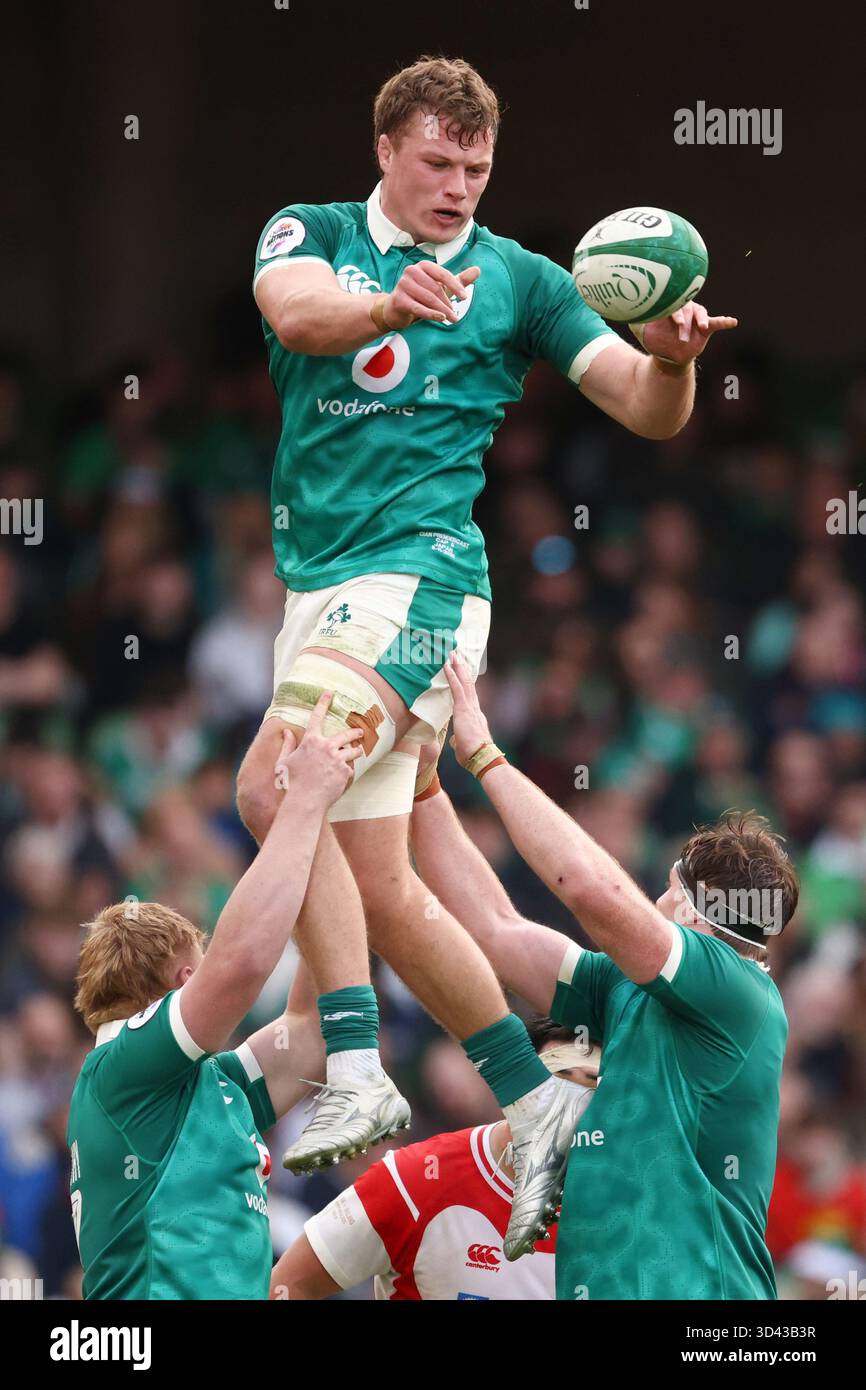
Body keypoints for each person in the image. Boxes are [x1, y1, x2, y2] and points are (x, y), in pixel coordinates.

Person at [236, 52, 737, 1248]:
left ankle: (352, 1062)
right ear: (385, 151)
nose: (458, 186)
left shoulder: (519, 278)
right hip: (319, 593)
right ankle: (532, 1103)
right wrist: (386, 305)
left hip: (420, 583)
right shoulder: (308, 231)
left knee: (270, 784)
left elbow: (636, 399)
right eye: (437, 162)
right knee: (387, 878)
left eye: (476, 167)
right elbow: (294, 312)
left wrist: (673, 356)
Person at [407, 651, 796, 1297]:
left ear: (696, 912)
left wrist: (483, 754)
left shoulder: (738, 990)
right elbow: (494, 929)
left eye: (668, 888)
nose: (653, 897)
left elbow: (590, 889)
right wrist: (426, 789)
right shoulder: (628, 988)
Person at [67, 697, 372, 1300]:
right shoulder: (122, 1068)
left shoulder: (208, 1086)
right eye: (200, 974)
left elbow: (312, 1028)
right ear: (182, 982)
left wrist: (328, 836)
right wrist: (301, 804)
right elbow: (243, 966)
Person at [270, 1021, 600, 1301]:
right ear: (517, 1085)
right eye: (557, 1077)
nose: (570, 1100)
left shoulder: (635, 1212)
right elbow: (286, 1287)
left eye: (590, 1084)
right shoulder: (413, 1178)